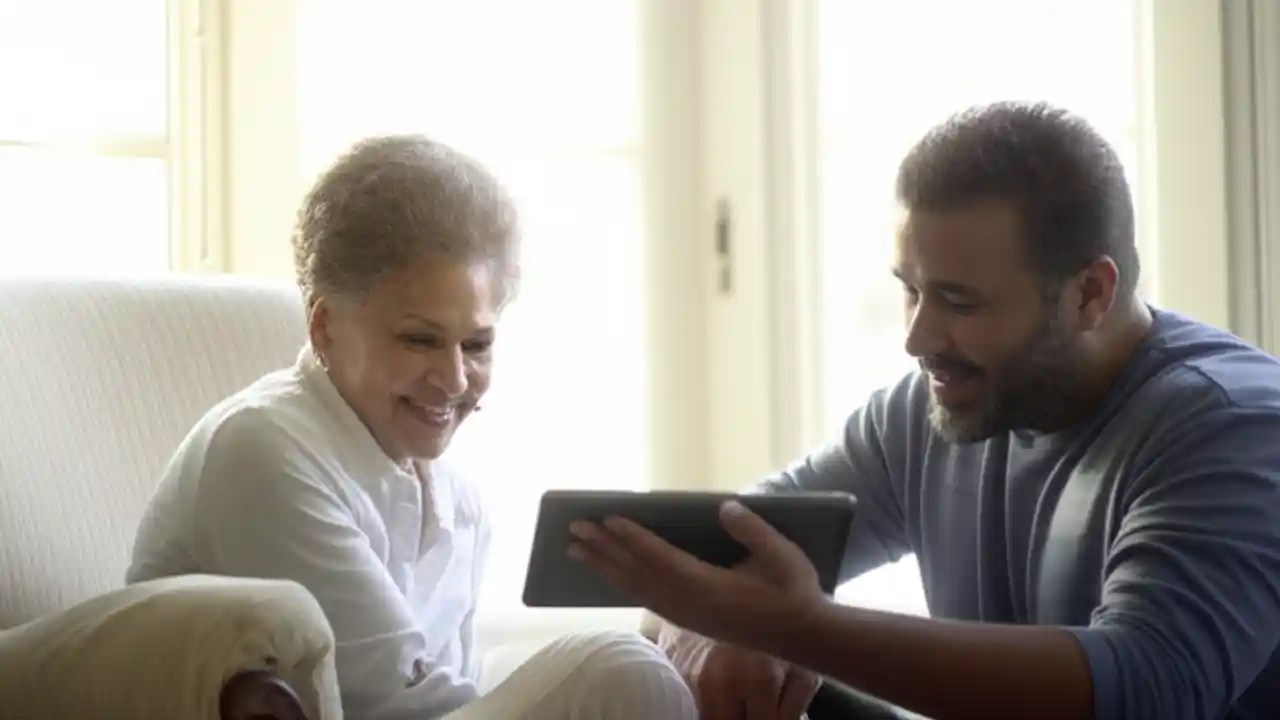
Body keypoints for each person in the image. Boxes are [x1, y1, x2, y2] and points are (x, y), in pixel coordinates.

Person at [570, 101, 1280, 719]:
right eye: (911, 290)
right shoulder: (935, 408)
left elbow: (1143, 692)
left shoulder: (1233, 426)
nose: (916, 338)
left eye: (959, 301)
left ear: (1090, 293)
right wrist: (709, 624)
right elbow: (714, 561)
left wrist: (796, 630)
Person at [128, 135, 696, 720]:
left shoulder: (460, 501)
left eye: (476, 345)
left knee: (633, 666)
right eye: (419, 339)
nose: (453, 381)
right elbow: (396, 705)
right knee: (626, 670)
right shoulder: (263, 449)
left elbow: (449, 689)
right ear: (324, 327)